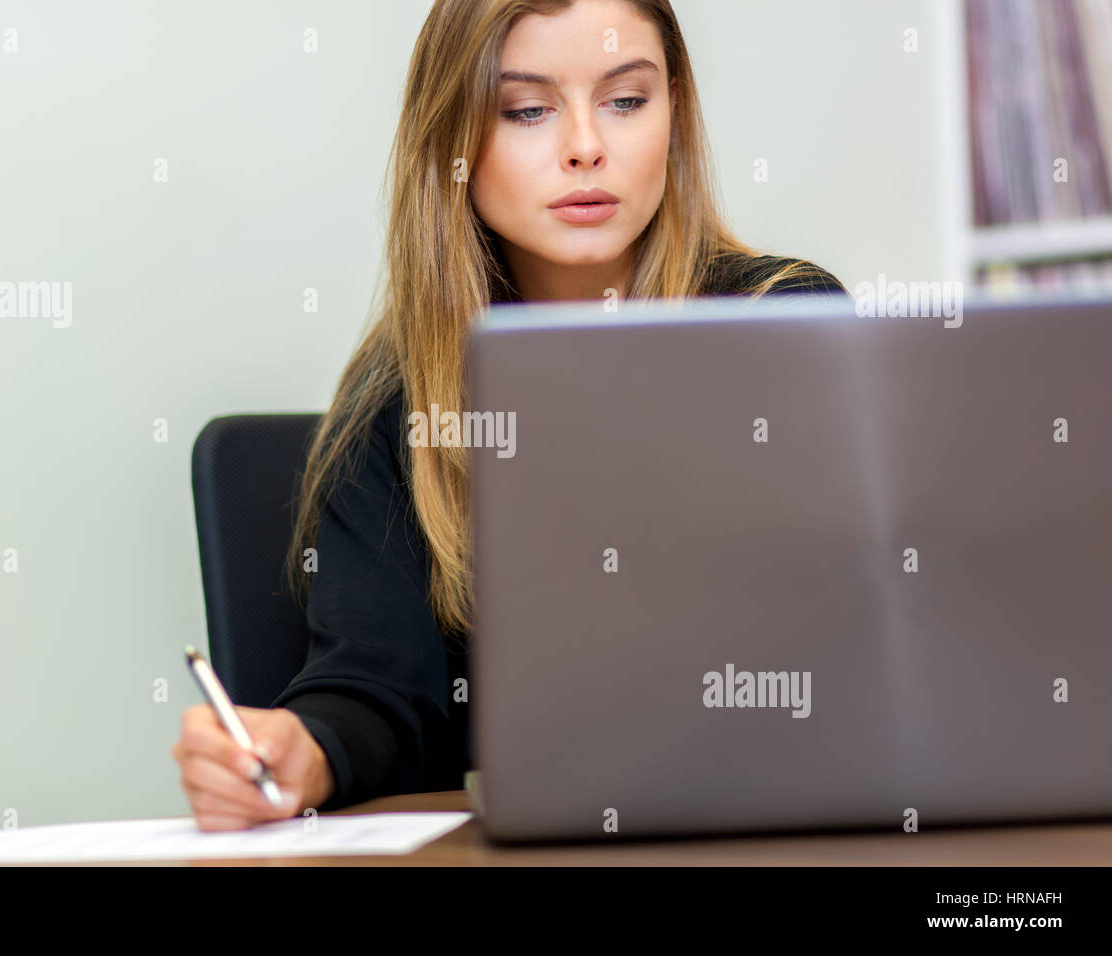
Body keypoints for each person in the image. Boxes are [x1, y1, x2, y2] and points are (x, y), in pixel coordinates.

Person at [172, 0, 847, 831]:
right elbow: (378, 690)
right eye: (527, 110)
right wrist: (300, 751)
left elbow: (846, 639)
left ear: (674, 112)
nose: (586, 147)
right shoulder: (400, 396)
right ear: (453, 141)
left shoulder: (781, 321)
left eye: (626, 101)